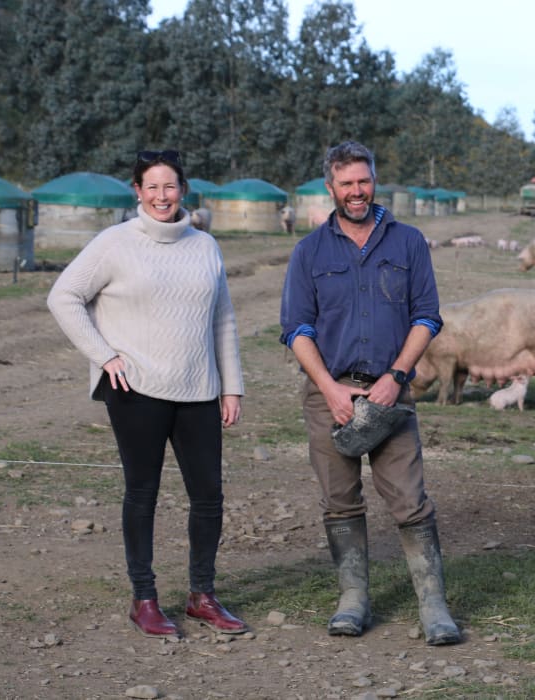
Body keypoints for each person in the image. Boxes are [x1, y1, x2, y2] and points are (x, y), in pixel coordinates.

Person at [47, 149, 247, 640]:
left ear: (183, 190)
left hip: (199, 388)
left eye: (170, 186)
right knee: (143, 493)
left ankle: (202, 595)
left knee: (209, 496)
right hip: (135, 389)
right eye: (151, 187)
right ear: (137, 191)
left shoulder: (205, 245)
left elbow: (222, 319)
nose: (161, 196)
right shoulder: (114, 243)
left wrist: (231, 386)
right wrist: (104, 355)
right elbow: (63, 296)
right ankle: (145, 599)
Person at [279, 141, 461, 646]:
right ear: (330, 188)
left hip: (390, 392)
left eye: (364, 181)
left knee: (410, 499)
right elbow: (296, 328)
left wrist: (396, 377)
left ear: (374, 181)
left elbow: (427, 316)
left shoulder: (408, 242)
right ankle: (353, 599)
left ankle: (433, 604)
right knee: (339, 501)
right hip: (330, 395)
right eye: (346, 183)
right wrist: (329, 389)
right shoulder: (309, 251)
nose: (356, 191)